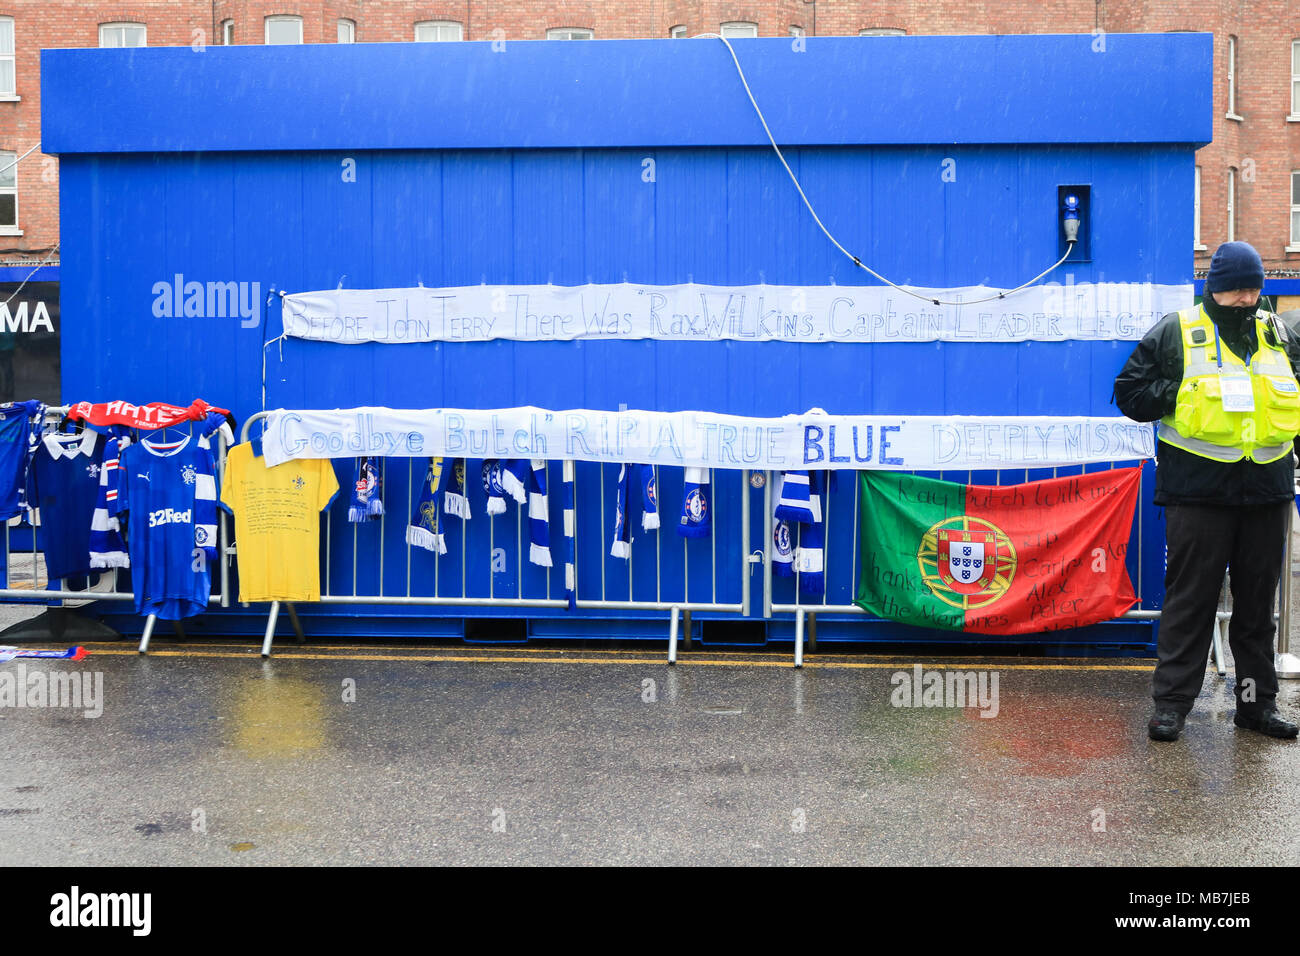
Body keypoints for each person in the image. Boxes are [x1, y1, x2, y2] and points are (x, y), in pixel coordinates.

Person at [1114, 240, 1300, 742]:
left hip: (1265, 489)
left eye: (1253, 288)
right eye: (1237, 289)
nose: (1246, 298)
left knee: (1257, 608)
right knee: (1190, 603)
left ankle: (1253, 707)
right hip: (1198, 494)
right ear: (1214, 288)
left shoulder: (1278, 333)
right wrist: (1179, 391)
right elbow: (1128, 393)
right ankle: (1172, 707)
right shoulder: (1178, 331)